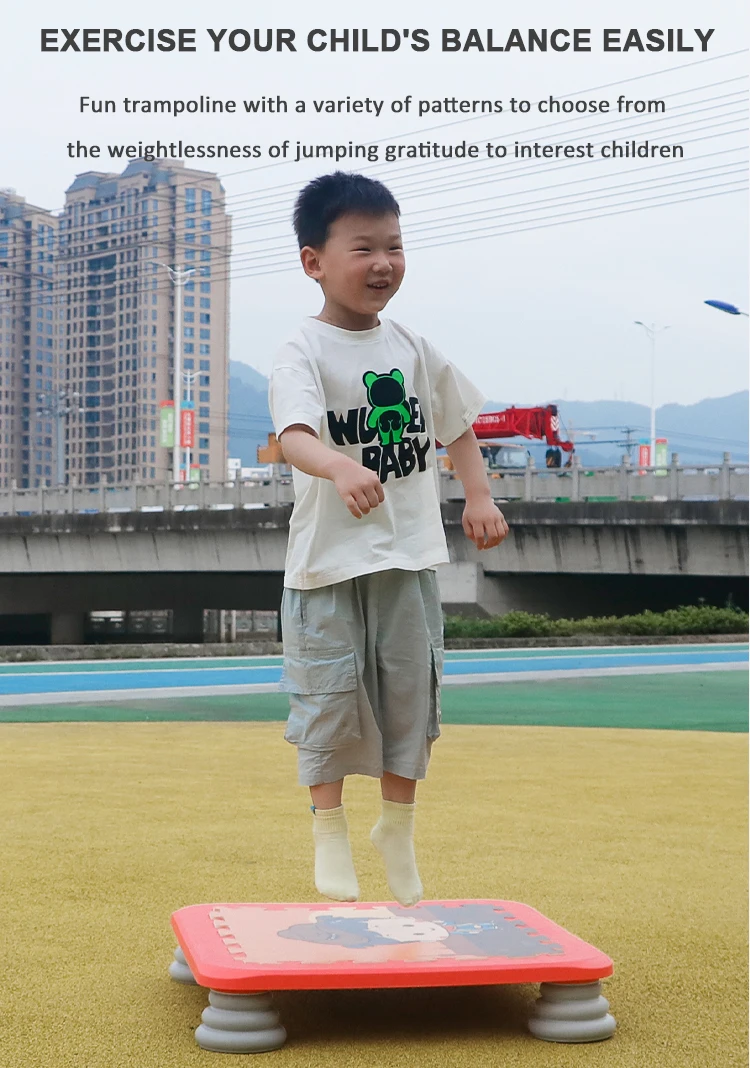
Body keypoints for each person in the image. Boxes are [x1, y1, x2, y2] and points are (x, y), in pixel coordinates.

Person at [269, 171, 509, 908]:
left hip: (407, 556)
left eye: (396, 246)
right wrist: (339, 465)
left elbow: (457, 422)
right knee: (328, 696)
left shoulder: (411, 345)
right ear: (315, 261)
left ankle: (396, 829)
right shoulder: (301, 350)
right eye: (364, 247)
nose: (384, 263)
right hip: (327, 567)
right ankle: (329, 829)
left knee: (411, 694)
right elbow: (295, 436)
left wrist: (477, 493)